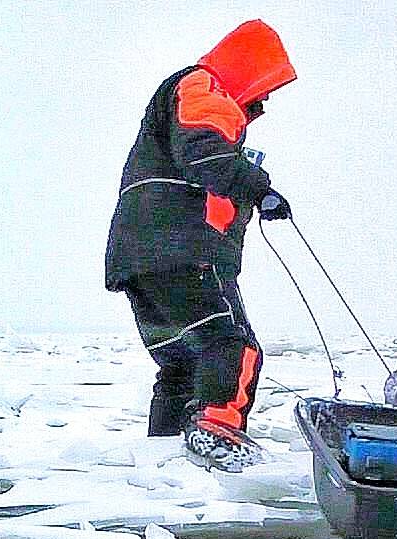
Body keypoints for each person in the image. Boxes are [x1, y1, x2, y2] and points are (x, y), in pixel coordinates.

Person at [104, 19, 296, 471]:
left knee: (181, 367)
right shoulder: (203, 87)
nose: (264, 100)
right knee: (232, 345)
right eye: (264, 86)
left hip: (139, 258)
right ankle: (218, 437)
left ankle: (166, 467)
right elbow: (204, 151)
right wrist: (258, 188)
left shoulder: (184, 97)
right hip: (183, 251)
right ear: (247, 68)